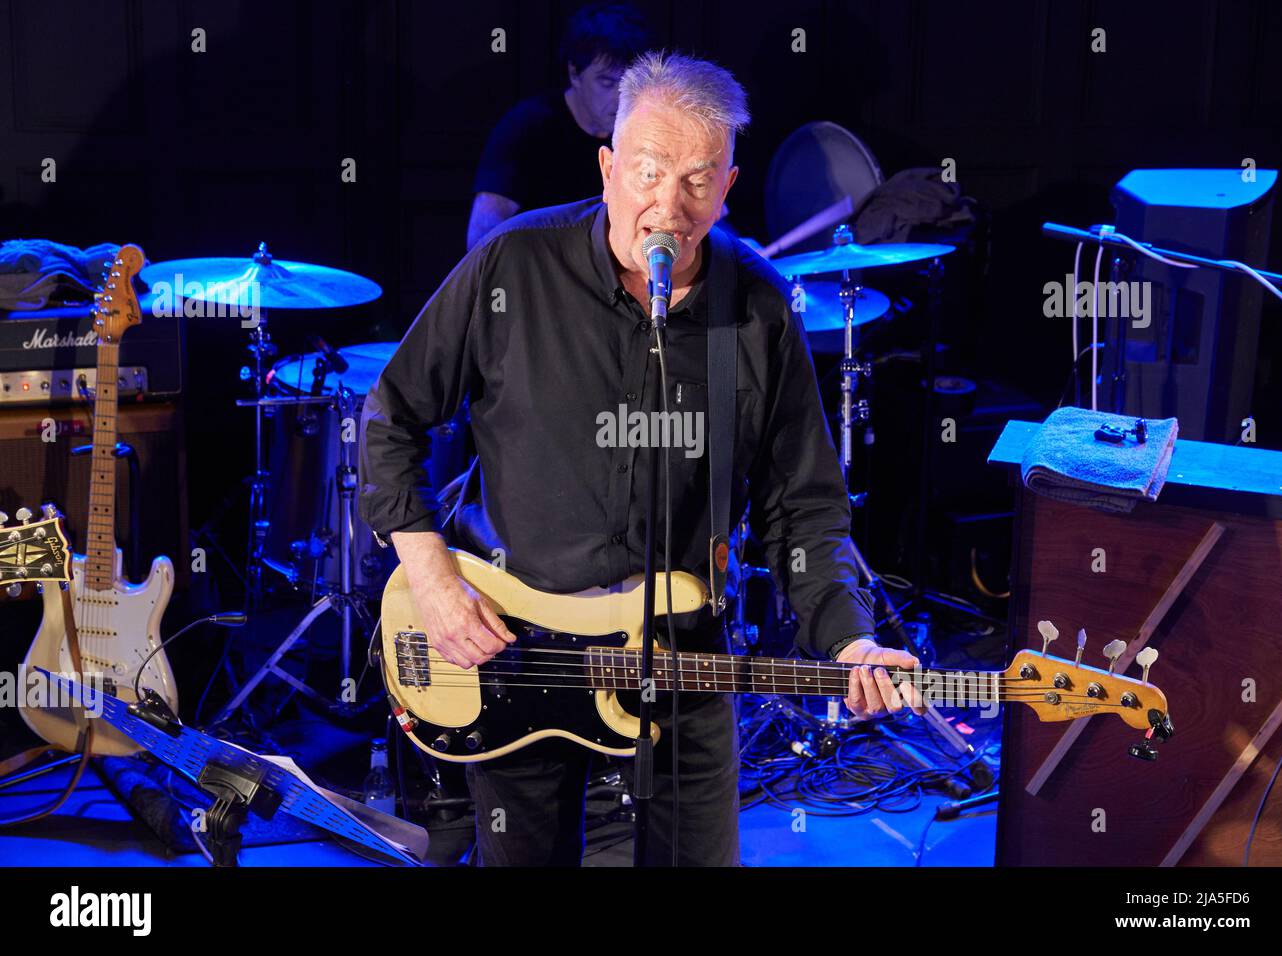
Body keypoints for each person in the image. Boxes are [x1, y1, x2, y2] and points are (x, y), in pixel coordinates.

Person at [361, 50, 923, 867]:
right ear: (608, 165)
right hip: (514, 653)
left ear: (730, 185)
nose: (670, 204)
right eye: (649, 172)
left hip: (682, 664)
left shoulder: (756, 305)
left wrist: (849, 642)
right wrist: (435, 580)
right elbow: (390, 416)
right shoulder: (513, 266)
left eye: (699, 179)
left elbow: (804, 503)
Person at [466, 3, 652, 249]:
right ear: (574, 73)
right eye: (606, 83)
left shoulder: (646, 130)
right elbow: (483, 235)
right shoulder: (527, 127)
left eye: (628, 84)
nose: (620, 97)